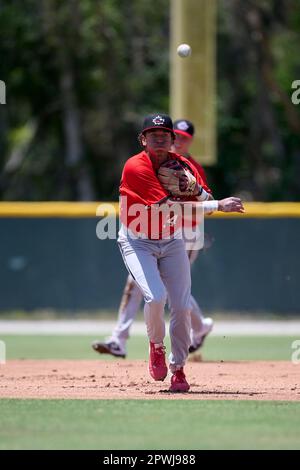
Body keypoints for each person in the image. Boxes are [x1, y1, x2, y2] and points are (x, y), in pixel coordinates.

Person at [96, 113, 244, 392]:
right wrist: (217, 206)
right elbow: (169, 207)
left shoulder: (184, 165)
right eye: (153, 134)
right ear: (143, 139)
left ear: (173, 139)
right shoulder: (134, 167)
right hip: (137, 241)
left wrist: (194, 187)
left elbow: (204, 196)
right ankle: (155, 346)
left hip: (171, 239)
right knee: (155, 297)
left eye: (165, 133)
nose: (159, 137)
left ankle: (179, 369)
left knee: (181, 305)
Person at [92, 119, 214, 359]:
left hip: (184, 233)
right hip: (147, 234)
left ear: (189, 141)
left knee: (171, 290)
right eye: (175, 135)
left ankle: (198, 327)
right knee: (141, 284)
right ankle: (119, 338)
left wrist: (196, 192)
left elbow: (205, 201)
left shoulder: (189, 167)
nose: (178, 140)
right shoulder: (148, 165)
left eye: (183, 137)